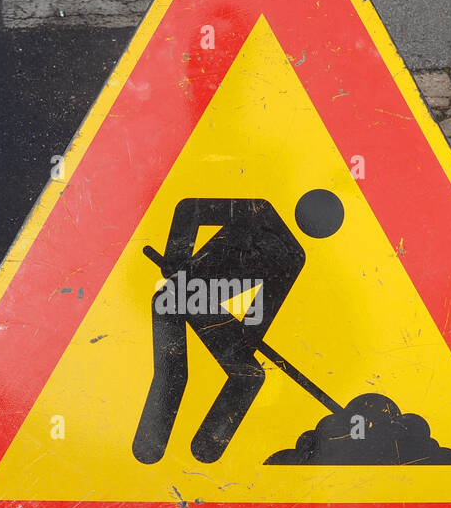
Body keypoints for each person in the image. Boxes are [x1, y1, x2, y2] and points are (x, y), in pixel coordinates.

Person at [133, 189, 344, 464]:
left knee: (248, 375)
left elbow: (260, 313)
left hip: (199, 302)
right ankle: (149, 448)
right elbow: (189, 208)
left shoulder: (293, 258)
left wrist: (247, 339)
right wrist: (177, 255)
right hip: (173, 296)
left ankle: (205, 450)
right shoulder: (259, 211)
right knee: (174, 373)